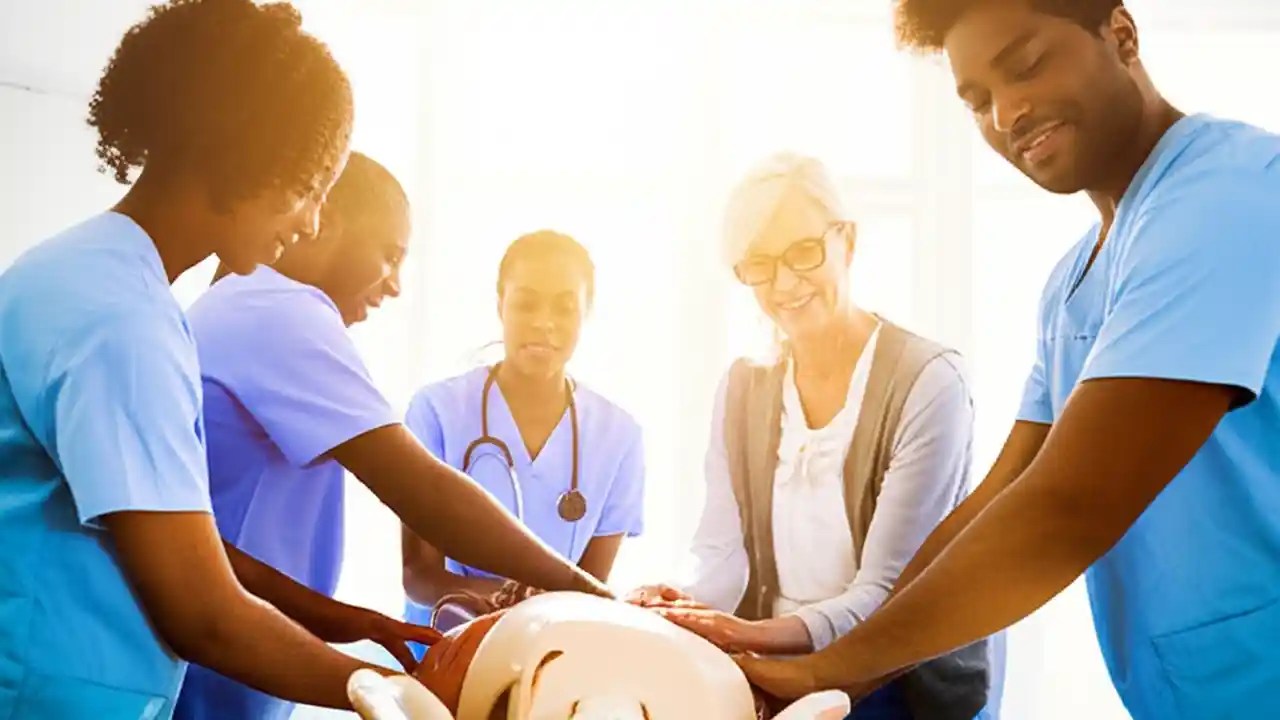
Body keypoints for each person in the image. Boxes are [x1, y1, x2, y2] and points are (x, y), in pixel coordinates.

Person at [733, 3, 1280, 720]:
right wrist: (840, 663)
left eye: (1026, 66)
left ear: (1120, 33)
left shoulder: (1232, 193)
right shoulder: (1071, 284)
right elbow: (1004, 493)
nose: (1007, 113)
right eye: (978, 100)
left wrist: (833, 670)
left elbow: (1068, 507)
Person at [0, 0, 426, 716]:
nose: (312, 221)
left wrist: (348, 629)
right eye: (310, 186)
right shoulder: (120, 320)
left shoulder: (81, 274)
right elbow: (200, 611)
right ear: (250, 154)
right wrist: (380, 691)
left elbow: (174, 541)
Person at [175, 164, 614, 719]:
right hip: (213, 667)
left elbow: (222, 551)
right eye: (389, 254)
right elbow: (425, 494)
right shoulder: (280, 310)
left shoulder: (238, 301)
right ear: (321, 221)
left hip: (233, 661)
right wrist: (589, 594)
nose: (395, 285)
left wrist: (354, 624)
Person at [627, 152, 996, 720]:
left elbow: (884, 594)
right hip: (776, 658)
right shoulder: (745, 385)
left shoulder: (928, 384)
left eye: (803, 252)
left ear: (847, 242)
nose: (784, 283)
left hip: (897, 677)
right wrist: (685, 604)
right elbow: (721, 553)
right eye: (759, 263)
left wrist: (748, 632)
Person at [402, 230, 646, 645]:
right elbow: (419, 576)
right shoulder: (437, 411)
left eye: (565, 308)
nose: (544, 322)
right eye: (525, 303)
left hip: (550, 651)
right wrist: (517, 598)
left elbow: (592, 589)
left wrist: (530, 605)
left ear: (587, 313)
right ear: (500, 304)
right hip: (442, 646)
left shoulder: (619, 436)